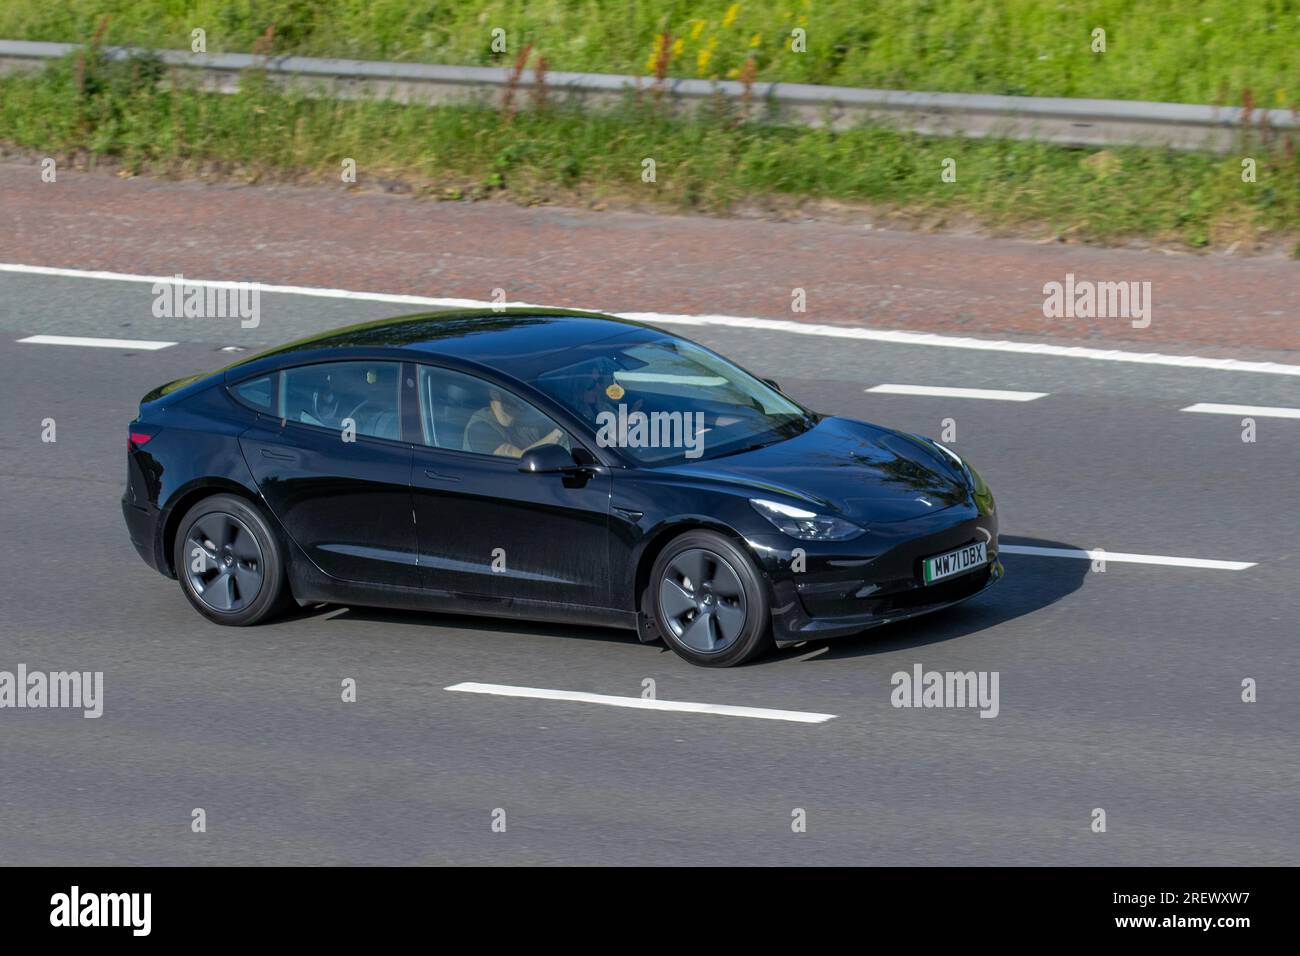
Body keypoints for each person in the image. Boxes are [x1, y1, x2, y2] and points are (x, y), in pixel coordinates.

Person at [463, 388, 565, 458]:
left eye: (518, 407)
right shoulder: (480, 429)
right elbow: (519, 458)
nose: (514, 413)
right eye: (509, 406)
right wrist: (560, 431)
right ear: (494, 395)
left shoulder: (526, 418)